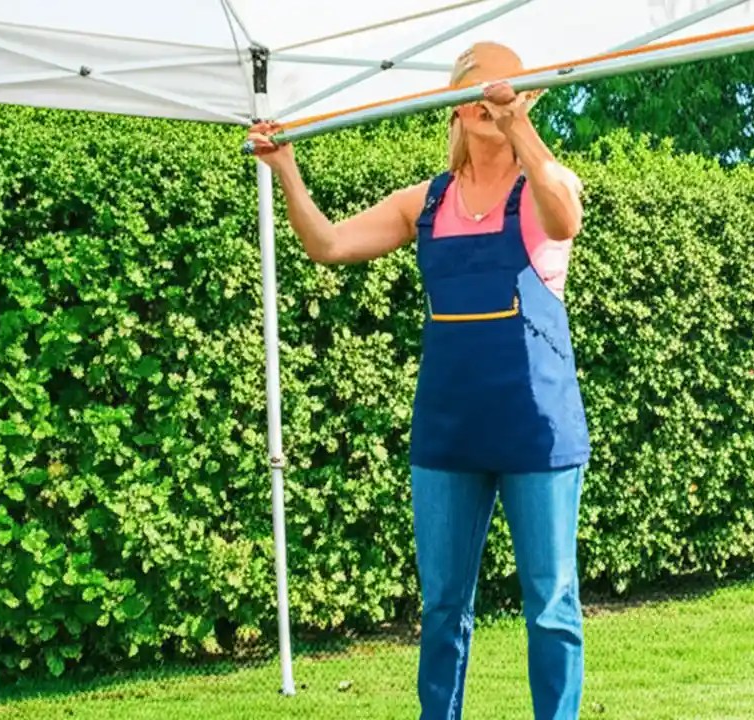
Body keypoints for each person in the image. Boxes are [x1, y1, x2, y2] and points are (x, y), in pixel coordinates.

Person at [247, 41, 590, 720]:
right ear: (458, 105)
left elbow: (566, 218)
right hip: (447, 434)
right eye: (482, 90)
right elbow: (328, 246)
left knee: (550, 604)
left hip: (538, 434)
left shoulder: (546, 183)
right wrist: (286, 169)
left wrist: (519, 123)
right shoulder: (424, 203)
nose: (493, 101)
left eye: (509, 89)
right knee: (441, 608)